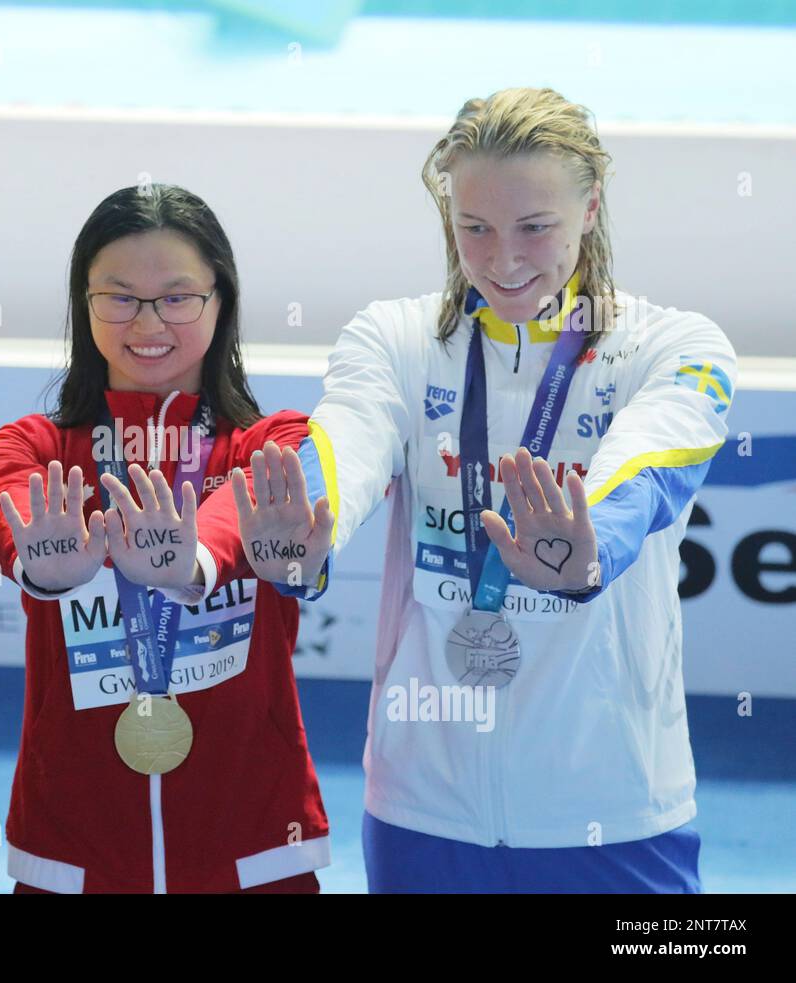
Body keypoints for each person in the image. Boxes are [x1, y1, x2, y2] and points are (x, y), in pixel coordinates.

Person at [234, 87, 735, 893]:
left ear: (591, 207)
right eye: (475, 228)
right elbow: (349, 434)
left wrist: (590, 547)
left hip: (616, 807)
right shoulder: (395, 338)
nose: (504, 258)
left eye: (535, 227)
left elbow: (649, 467)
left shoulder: (673, 346)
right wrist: (313, 521)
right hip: (423, 812)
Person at [0, 183, 331, 893]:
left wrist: (194, 557)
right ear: (85, 303)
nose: (148, 321)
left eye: (177, 297)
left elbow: (257, 494)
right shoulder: (32, 449)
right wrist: (42, 567)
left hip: (259, 851)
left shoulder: (275, 439)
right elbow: (3, 506)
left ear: (220, 300)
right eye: (120, 296)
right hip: (69, 858)